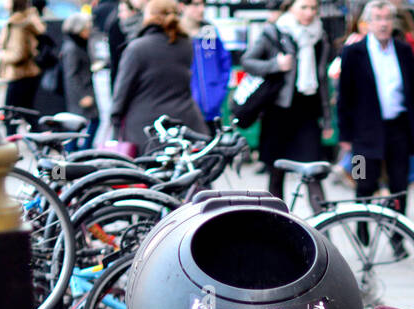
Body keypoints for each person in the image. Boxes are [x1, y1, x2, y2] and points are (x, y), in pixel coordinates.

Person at [335, 0, 414, 216]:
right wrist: (345, 135)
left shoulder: (404, 50)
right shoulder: (353, 52)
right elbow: (344, 96)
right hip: (363, 133)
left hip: (398, 130)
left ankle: (398, 235)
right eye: (378, 19)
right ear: (368, 23)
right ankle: (362, 228)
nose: (383, 24)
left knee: (400, 186)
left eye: (387, 18)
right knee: (363, 182)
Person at [240, 0, 333, 198]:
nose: (309, 13)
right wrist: (275, 64)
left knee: (314, 173)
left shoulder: (320, 36)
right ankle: (276, 224)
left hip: (308, 113)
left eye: (313, 8)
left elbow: (322, 79)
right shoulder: (274, 32)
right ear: (291, 8)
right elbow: (247, 61)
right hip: (278, 113)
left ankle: (323, 227)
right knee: (276, 174)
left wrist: (326, 118)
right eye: (304, 7)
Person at [111, 0, 206, 149]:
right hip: (183, 122)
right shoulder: (186, 45)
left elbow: (123, 90)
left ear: (149, 17)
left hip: (145, 128)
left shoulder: (137, 48)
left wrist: (115, 119)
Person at [180, 0, 232, 134]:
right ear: (182, 6)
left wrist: (219, 92)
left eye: (203, 4)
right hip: (185, 112)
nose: (201, 9)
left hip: (212, 110)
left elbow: (224, 63)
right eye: (196, 5)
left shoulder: (209, 32)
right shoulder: (176, 34)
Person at [0, 0, 46, 115]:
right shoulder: (26, 20)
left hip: (19, 74)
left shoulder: (18, 24)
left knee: (10, 116)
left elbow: (17, 55)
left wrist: (1, 53)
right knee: (27, 113)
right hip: (27, 74)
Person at [61, 12, 99, 149]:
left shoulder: (77, 44)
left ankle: (79, 152)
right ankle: (77, 153)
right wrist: (82, 96)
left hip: (84, 90)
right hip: (81, 93)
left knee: (84, 125)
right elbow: (71, 75)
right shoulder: (72, 48)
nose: (88, 31)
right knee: (82, 125)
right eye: (86, 28)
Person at [106, 0, 146, 88]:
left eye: (122, 11)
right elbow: (114, 60)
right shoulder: (116, 28)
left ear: (133, 11)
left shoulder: (145, 26)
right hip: (123, 76)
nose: (119, 15)